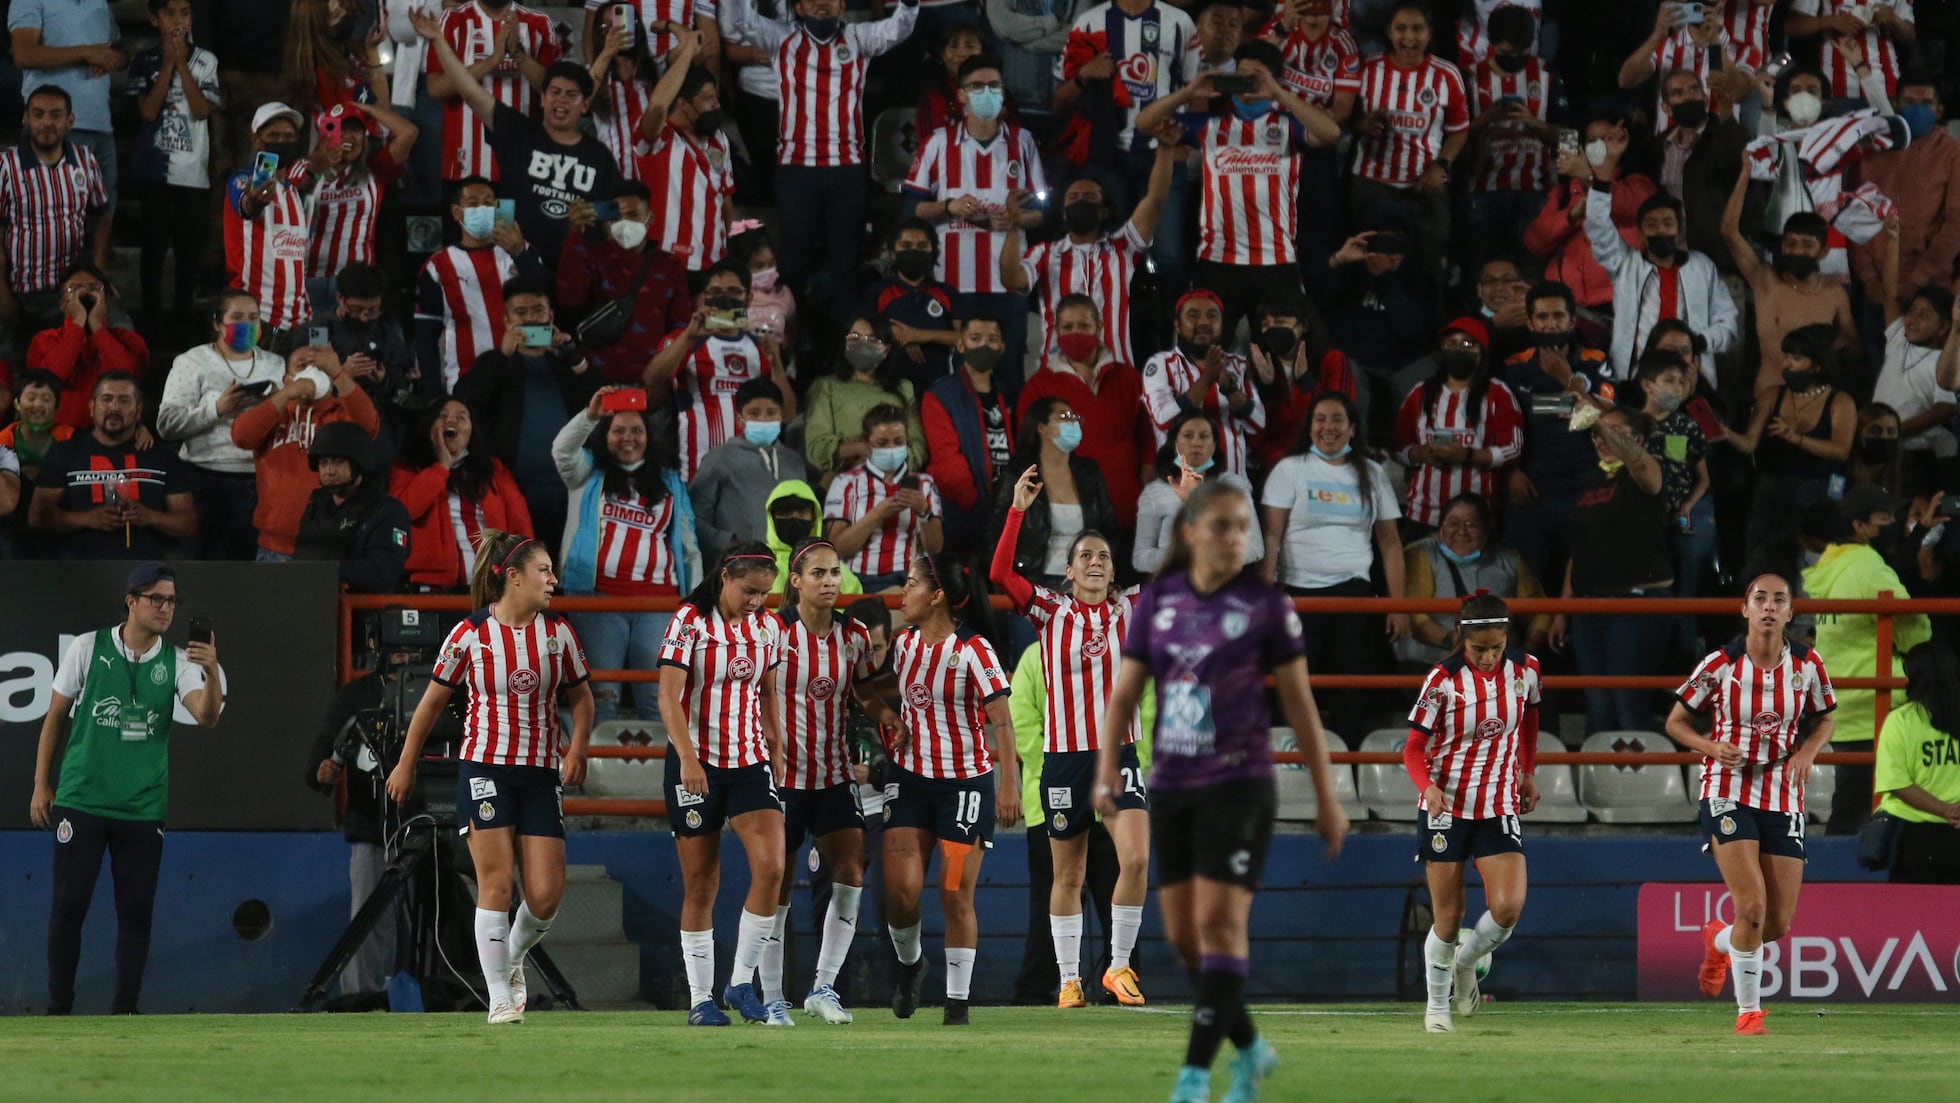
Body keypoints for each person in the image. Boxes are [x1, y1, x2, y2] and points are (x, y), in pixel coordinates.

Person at [1096, 479, 1344, 1102]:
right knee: (1182, 937)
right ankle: (1252, 1048)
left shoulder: (1267, 606)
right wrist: (1106, 770)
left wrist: (1327, 796)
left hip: (1240, 784)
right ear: (1190, 532)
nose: (1236, 538)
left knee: (1219, 923)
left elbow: (1300, 705)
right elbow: (1124, 694)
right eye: (1223, 526)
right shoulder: (1158, 602)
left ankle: (1193, 1077)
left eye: (1242, 528)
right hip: (1173, 784)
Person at [386, 530, 596, 1025]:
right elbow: (432, 702)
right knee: (496, 885)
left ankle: (513, 956)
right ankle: (499, 995)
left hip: (542, 773)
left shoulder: (558, 633)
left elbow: (583, 699)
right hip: (485, 768)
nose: (553, 579)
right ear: (513, 577)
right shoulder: (468, 635)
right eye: (544, 570)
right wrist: (405, 761)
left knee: (544, 896)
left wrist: (579, 747)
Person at [30, 562, 225, 1015]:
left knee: (135, 910)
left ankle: (125, 1009)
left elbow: (207, 716)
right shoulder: (87, 647)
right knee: (69, 906)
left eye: (172, 601)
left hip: (142, 807)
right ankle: (59, 1009)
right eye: (156, 599)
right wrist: (42, 785)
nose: (165, 609)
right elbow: (54, 717)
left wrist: (212, 673)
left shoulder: (177, 661)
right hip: (81, 800)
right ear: (131, 601)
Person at [994, 466, 1151, 1008]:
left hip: (1117, 756)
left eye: (1104, 557)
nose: (1095, 563)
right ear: (1067, 570)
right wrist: (1017, 508)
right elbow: (999, 572)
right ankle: (1068, 981)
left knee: (1135, 860)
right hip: (1063, 762)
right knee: (1070, 873)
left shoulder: (1129, 609)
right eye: (1085, 556)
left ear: (1113, 573)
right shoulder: (1049, 610)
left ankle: (1119, 967)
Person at [1669, 572, 1836, 1036]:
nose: (1768, 607)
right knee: (1753, 907)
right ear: (1744, 609)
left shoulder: (1807, 664)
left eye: (1778, 600)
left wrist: (1807, 752)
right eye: (1759, 599)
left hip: (1783, 789)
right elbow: (1676, 721)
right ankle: (1748, 1013)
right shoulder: (1720, 664)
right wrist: (1710, 747)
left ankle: (1718, 941)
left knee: (1776, 924)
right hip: (1727, 785)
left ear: (1790, 613)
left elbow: (1825, 720)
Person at [875, 551, 1020, 1026]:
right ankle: (912, 964)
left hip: (964, 788)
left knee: (955, 893)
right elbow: (865, 688)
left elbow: (1002, 720)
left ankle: (957, 1004)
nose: (903, 593)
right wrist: (887, 715)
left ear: (936, 595)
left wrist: (1008, 787)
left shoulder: (973, 651)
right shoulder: (902, 645)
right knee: (900, 891)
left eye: (912, 584)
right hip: (910, 781)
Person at [655, 541, 791, 1026]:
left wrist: (775, 741)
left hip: (749, 760)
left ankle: (740, 980)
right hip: (697, 765)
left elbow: (769, 690)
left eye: (764, 594)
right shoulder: (689, 620)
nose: (757, 602)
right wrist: (687, 757)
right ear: (726, 577)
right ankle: (700, 1000)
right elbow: (668, 696)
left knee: (772, 868)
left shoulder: (770, 627)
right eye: (749, 591)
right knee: (701, 885)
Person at [719, 0, 920, 320]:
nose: (821, 4)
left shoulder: (858, 38)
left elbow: (899, 28)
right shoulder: (781, 38)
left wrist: (909, 4)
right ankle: (793, 345)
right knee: (794, 262)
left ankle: (844, 348)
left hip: (847, 170)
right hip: (797, 171)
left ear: (842, 5)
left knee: (846, 263)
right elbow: (741, 21)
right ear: (798, 7)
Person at [771, 541, 902, 1023]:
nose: (830, 581)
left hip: (833, 773)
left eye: (835, 572)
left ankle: (824, 987)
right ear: (797, 580)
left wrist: (886, 712)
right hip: (781, 777)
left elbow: (865, 687)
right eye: (819, 573)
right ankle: (771, 996)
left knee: (851, 872)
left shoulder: (855, 637)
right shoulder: (772, 632)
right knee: (776, 886)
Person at [1406, 592, 1539, 1032]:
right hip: (1446, 807)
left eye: (1496, 648)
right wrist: (1428, 787)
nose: (1487, 657)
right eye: (1478, 648)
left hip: (1497, 803)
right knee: (1448, 916)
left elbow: (1530, 722)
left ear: (1507, 639)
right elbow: (1412, 749)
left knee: (1508, 907)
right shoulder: (1442, 680)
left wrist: (1527, 772)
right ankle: (1437, 1007)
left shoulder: (1527, 672)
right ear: (1462, 639)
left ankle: (1468, 962)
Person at [415, 10, 617, 270]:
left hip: (575, 271)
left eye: (571, 95)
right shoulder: (518, 134)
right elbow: (469, 90)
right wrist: (439, 41)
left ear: (585, 104)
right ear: (542, 98)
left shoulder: (599, 155)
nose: (561, 101)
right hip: (513, 265)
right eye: (554, 92)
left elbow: (612, 213)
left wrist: (589, 215)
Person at [1261, 391, 1406, 743]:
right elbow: (1271, 538)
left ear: (1353, 429)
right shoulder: (1289, 469)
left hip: (1352, 595)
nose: (1329, 427)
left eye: (1338, 419)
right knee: (1293, 686)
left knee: (1350, 688)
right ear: (1309, 427)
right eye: (1320, 419)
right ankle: (1291, 766)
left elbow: (1389, 542)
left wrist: (1399, 606)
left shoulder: (1372, 473)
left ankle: (1347, 768)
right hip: (1297, 595)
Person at [553, 386, 701, 721]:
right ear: (605, 434)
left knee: (658, 700)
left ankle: (667, 775)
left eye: (636, 430)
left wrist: (694, 603)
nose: (628, 438)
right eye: (618, 430)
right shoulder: (587, 472)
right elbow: (561, 451)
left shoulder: (669, 480)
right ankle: (596, 775)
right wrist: (590, 415)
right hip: (598, 603)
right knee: (603, 699)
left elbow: (689, 546)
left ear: (649, 435)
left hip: (659, 606)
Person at [903, 53, 1047, 395]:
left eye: (994, 85)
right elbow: (911, 209)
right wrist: (949, 206)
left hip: (1007, 282)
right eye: (978, 86)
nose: (988, 92)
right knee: (950, 375)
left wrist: (1015, 218)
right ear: (962, 95)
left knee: (1008, 373)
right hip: (952, 281)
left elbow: (1041, 213)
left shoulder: (1022, 142)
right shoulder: (938, 142)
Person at [1804, 482, 1932, 834]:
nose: (1892, 523)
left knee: (1855, 804)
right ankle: (1836, 882)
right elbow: (1917, 632)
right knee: (1857, 809)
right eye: (1884, 518)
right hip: (1877, 705)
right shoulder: (1868, 570)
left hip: (1847, 704)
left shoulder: (1835, 567)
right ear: (1859, 526)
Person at [1052, 0, 1200, 296]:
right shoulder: (1088, 22)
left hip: (1162, 156)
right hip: (1106, 159)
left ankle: (1175, 332)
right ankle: (1110, 323)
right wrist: (1085, 74)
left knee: (1169, 256)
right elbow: (1059, 101)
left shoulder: (1179, 22)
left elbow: (1197, 92)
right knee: (1109, 256)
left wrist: (1188, 144)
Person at [1549, 406, 1673, 735]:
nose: (1601, 438)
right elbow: (1579, 550)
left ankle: (1644, 783)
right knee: (1598, 708)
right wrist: (1563, 610)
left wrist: (1572, 388)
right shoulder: (1592, 481)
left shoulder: (1648, 473)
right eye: (1596, 433)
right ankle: (1600, 785)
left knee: (1628, 705)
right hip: (1589, 606)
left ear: (1639, 439)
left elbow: (1639, 462)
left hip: (1637, 603)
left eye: (1611, 432)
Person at [454, 276, 600, 553]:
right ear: (507, 321)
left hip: (568, 492)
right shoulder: (494, 364)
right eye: (521, 313)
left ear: (551, 316)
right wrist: (503, 355)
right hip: (512, 490)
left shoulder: (565, 366)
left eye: (538, 310)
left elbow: (600, 406)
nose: (531, 318)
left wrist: (574, 358)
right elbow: (465, 401)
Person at [1000, 148, 1173, 369]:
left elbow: (1155, 199)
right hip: (1058, 372)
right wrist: (1014, 227)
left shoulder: (1123, 247)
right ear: (1063, 213)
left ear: (1104, 211)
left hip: (1114, 373)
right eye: (1073, 197)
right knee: (1063, 407)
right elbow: (1011, 279)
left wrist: (1165, 150)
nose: (1080, 200)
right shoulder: (1044, 252)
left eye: (1089, 197)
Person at [156, 290, 286, 562]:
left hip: (261, 481)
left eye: (253, 318)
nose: (247, 326)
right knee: (206, 573)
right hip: (205, 482)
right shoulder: (192, 362)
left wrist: (277, 404)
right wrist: (217, 409)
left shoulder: (275, 364)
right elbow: (166, 425)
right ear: (217, 323)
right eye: (237, 318)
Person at [642, 263, 794, 482]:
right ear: (702, 298)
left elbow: (787, 414)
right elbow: (651, 379)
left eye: (734, 292)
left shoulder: (761, 348)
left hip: (749, 474)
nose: (725, 298)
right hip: (696, 471)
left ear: (749, 298)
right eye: (716, 292)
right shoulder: (683, 340)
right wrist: (688, 337)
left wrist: (777, 365)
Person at [1349, 3, 1468, 280]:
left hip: (1424, 188)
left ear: (1429, 33)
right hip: (1372, 186)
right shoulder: (1367, 70)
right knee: (1376, 268)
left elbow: (1459, 130)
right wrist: (1362, 124)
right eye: (1401, 29)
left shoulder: (1447, 74)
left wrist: (1441, 166)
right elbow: (1347, 119)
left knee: (1427, 270)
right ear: (1389, 32)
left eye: (1417, 29)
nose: (1409, 37)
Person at [230, 343, 379, 562]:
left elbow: (369, 428)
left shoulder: (341, 412)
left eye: (319, 366)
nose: (311, 371)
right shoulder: (274, 413)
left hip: (331, 545)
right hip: (275, 548)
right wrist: (288, 393)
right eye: (302, 365)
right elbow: (241, 436)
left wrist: (338, 372)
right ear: (286, 377)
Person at [1584, 178, 1739, 385]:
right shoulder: (1626, 265)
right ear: (1640, 233)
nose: (1660, 230)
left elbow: (1727, 323)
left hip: (1693, 377)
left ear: (1679, 230)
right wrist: (1601, 184)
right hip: (1637, 377)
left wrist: (1697, 343)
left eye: (1668, 223)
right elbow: (1599, 229)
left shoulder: (1702, 267)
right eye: (1652, 225)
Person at [1013, 295, 1149, 529]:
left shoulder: (1129, 379)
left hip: (1128, 513)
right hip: (1067, 520)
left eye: (1084, 326)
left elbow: (1149, 443)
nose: (1076, 333)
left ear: (1099, 327)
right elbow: (1027, 452)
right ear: (1056, 330)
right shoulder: (1038, 387)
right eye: (1068, 327)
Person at [30, 373, 196, 561]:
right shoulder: (65, 452)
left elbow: (188, 524)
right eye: (106, 399)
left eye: (124, 401)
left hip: (146, 571)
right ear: (92, 407)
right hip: (78, 570)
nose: (114, 408)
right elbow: (37, 517)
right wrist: (87, 519)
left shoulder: (162, 456)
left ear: (139, 411)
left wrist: (148, 516)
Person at [128, 0, 220, 338]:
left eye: (184, 13)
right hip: (153, 169)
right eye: (169, 14)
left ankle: (182, 317)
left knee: (188, 250)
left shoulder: (206, 60)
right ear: (154, 19)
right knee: (152, 248)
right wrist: (167, 64)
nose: (178, 21)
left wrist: (182, 65)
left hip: (192, 171)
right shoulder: (143, 61)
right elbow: (149, 112)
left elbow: (201, 110)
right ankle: (152, 321)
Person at [1721, 169, 1857, 395]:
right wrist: (1745, 172)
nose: (1797, 251)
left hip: (1814, 401)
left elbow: (1854, 347)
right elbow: (1728, 231)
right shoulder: (1765, 280)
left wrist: (1825, 346)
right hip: (1768, 397)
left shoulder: (1835, 293)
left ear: (1823, 251)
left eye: (1807, 245)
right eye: (1791, 243)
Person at [414, 176, 546, 394]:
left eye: (488, 203)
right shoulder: (438, 266)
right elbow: (425, 339)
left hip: (527, 379)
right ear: (457, 213)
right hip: (468, 385)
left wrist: (520, 253)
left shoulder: (523, 252)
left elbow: (545, 301)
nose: (482, 209)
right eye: (473, 204)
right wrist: (433, 397)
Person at [1730, 325, 1857, 549]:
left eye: (1796, 359)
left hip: (1819, 488)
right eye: (1786, 357)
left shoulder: (1840, 402)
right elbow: (1749, 444)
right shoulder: (1772, 394)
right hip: (1773, 489)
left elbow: (1840, 450)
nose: (1786, 364)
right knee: (1763, 554)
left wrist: (1796, 438)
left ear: (1817, 365)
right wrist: (1725, 433)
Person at [558, 180, 695, 386]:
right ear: (606, 220)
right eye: (616, 216)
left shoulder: (669, 264)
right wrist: (575, 233)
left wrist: (666, 372)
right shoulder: (590, 256)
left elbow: (681, 326)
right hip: (597, 382)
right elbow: (568, 298)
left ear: (650, 218)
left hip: (651, 382)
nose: (624, 222)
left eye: (633, 215)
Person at [390, 398, 534, 591]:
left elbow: (519, 522)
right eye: (442, 416)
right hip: (430, 588)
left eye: (461, 417)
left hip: (490, 588)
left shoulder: (493, 469)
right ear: (429, 426)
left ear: (472, 430)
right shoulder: (406, 468)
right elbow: (405, 511)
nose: (451, 421)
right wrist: (442, 466)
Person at [1393, 317, 1522, 531]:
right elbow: (1397, 447)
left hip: (1478, 516)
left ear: (1481, 353)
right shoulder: (1420, 393)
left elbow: (1513, 449)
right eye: (1450, 344)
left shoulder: (1498, 393)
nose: (1457, 349)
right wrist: (1418, 453)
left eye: (1467, 344)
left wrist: (1468, 456)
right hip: (1423, 514)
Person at [0, 87, 109, 335]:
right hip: (22, 292)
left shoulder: (85, 160)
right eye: (38, 114)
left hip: (73, 291)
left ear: (70, 121)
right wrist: (2, 293)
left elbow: (103, 215)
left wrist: (99, 274)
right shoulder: (6, 166)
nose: (47, 123)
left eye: (55, 115)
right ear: (26, 118)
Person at [294, 99, 417, 316]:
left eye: (355, 130)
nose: (348, 136)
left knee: (353, 348)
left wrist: (368, 109)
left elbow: (409, 132)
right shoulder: (304, 168)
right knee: (316, 344)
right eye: (339, 128)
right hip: (308, 280)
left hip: (358, 286)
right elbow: (290, 196)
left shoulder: (376, 169)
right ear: (325, 133)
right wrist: (319, 166)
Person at [1399, 493, 1551, 667]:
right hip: (1434, 666)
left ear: (1487, 529)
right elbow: (1413, 613)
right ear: (1441, 527)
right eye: (1453, 523)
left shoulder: (1509, 559)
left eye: (1471, 525)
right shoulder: (1420, 554)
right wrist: (1454, 640)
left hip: (1498, 669)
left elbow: (1540, 610)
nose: (1462, 531)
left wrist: (1528, 650)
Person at [1461, 5, 1560, 265]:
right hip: (1483, 190)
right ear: (1491, 42)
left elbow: (1571, 137)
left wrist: (1535, 124)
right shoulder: (1469, 78)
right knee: (1481, 268)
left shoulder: (1549, 75)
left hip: (1537, 191)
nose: (1514, 58)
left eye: (1521, 52)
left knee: (1531, 271)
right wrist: (1482, 121)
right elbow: (1450, 139)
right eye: (1506, 53)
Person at [1528, 121, 1659, 315]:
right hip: (1565, 306)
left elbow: (1635, 210)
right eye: (1592, 140)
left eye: (1606, 138)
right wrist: (1572, 215)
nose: (1599, 144)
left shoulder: (1636, 183)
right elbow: (1535, 241)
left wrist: (1590, 178)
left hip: (1619, 305)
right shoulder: (1563, 192)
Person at [423, 0, 561, 184]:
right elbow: (435, 88)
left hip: (524, 169)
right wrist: (492, 61)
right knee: (475, 213)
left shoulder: (539, 23)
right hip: (466, 170)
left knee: (508, 213)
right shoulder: (452, 20)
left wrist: (518, 54)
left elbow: (555, 92)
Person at [7, 0, 122, 216]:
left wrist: (114, 59)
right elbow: (24, 54)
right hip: (52, 126)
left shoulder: (99, 3)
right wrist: (84, 53)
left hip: (101, 124)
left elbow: (118, 49)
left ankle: (100, 252)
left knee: (104, 208)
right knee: (52, 213)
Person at [991, 400, 1120, 590]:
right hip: (1034, 582)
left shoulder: (1089, 473)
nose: (1073, 422)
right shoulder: (1019, 476)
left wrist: (1103, 570)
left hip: (1084, 580)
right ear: (1041, 427)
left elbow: (1110, 531)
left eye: (1075, 417)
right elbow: (994, 537)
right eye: (1064, 417)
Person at [636, 36, 736, 277]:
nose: (715, 106)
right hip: (667, 264)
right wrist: (687, 54)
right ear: (682, 103)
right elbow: (658, 105)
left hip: (713, 265)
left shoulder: (719, 139)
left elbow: (725, 200)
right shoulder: (658, 139)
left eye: (716, 98)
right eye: (707, 99)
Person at [1142, 290, 1265, 478]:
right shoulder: (1160, 364)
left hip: (1231, 487)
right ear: (1178, 325)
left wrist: (1231, 390)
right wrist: (1207, 379)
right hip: (1179, 487)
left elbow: (1258, 423)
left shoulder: (1238, 365)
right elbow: (1163, 419)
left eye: (1212, 316)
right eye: (1193, 315)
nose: (1204, 322)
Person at [922, 314, 1016, 553]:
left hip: (1010, 511)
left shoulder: (1009, 391)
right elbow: (946, 463)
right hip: (966, 516)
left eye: (992, 339)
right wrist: (975, 504)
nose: (984, 345)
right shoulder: (940, 395)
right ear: (961, 345)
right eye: (975, 338)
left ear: (1002, 347)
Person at [825, 404, 942, 591]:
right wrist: (876, 514)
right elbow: (836, 548)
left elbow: (936, 547)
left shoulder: (925, 483)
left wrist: (923, 512)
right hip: (858, 581)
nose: (891, 448)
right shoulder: (845, 482)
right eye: (882, 443)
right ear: (867, 443)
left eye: (898, 442)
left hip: (908, 580)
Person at [225, 102, 312, 348]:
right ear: (257, 140)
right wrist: (255, 201)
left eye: (288, 136)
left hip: (298, 320)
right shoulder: (242, 180)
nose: (282, 141)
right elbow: (246, 206)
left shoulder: (293, 192)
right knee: (248, 382)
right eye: (273, 136)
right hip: (253, 318)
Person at [691, 378, 812, 553]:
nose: (763, 419)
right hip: (736, 567)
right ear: (739, 419)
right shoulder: (719, 458)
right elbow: (694, 516)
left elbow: (806, 513)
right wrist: (727, 542)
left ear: (781, 416)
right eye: (754, 413)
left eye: (771, 413)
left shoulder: (793, 461)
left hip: (787, 566)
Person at [292, 421, 412, 593]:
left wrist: (321, 571)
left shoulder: (388, 511)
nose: (329, 470)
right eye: (323, 463)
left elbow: (383, 571)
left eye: (338, 461)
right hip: (313, 606)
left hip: (365, 612)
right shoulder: (317, 505)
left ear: (359, 463)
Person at [1134, 411, 1261, 573]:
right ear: (1174, 443)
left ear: (1214, 445)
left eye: (1204, 437)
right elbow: (1140, 558)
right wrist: (1183, 556)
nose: (1196, 443)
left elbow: (1256, 548)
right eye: (1188, 436)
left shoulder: (1234, 486)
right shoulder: (1155, 492)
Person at [1874, 643, 1960, 884]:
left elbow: (1897, 784)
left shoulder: (1900, 720)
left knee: (1913, 915)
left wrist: (1945, 810)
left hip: (1913, 836)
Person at [802, 317, 926, 483]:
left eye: (872, 340)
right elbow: (816, 446)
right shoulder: (826, 386)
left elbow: (918, 447)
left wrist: (883, 461)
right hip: (841, 481)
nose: (862, 345)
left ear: (886, 350)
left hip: (894, 483)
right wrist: (856, 450)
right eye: (855, 338)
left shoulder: (903, 388)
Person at [29, 266, 150, 432]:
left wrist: (98, 327)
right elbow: (48, 383)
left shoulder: (129, 340)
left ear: (105, 300)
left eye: (94, 288)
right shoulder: (44, 341)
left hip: (112, 434)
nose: (85, 294)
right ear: (63, 303)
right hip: (57, 436)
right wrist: (78, 321)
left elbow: (128, 378)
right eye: (75, 289)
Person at [854, 221, 962, 394]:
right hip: (886, 389)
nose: (914, 251)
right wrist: (892, 335)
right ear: (893, 251)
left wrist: (918, 336)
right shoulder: (877, 291)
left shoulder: (947, 293)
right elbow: (857, 335)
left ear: (933, 250)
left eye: (922, 246)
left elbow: (966, 337)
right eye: (906, 245)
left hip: (938, 390)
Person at [1872, 281, 1957, 497]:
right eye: (1912, 311)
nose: (1913, 319)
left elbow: (1945, 408)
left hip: (1913, 453)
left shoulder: (1945, 361)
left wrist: (1898, 431)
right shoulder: (1899, 341)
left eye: (1925, 315)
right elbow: (1889, 295)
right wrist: (1893, 244)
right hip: (1881, 444)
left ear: (1944, 327)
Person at [325, 261, 417, 449]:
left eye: (373, 310)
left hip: (381, 427)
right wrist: (342, 377)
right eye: (357, 310)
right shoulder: (319, 331)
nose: (365, 317)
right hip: (332, 427)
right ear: (340, 298)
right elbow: (307, 385)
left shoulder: (389, 333)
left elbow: (405, 386)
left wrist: (384, 380)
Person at [1787, 0, 1914, 101]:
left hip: (1885, 85)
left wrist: (1895, 20)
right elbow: (1792, 26)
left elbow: (1911, 37)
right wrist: (1828, 21)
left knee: (1886, 133)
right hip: (1834, 86)